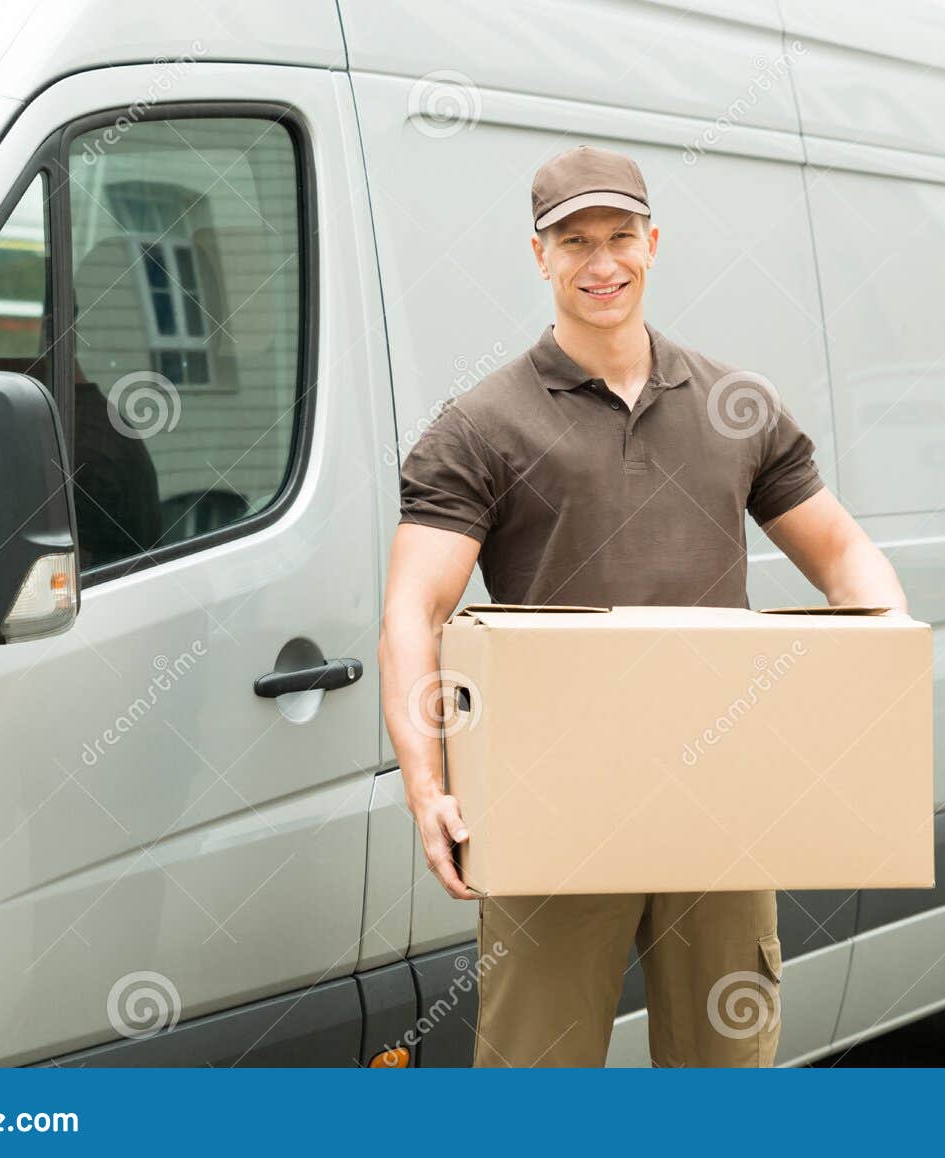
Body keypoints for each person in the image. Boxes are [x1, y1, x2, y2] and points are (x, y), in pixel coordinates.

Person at [378, 144, 910, 1067]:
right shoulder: (480, 425)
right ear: (537, 256)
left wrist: (881, 669)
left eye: (620, 236)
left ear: (654, 243)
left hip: (723, 793)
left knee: (722, 1074)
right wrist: (430, 789)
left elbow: (845, 555)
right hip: (551, 799)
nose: (602, 262)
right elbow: (413, 614)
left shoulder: (735, 405)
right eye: (574, 241)